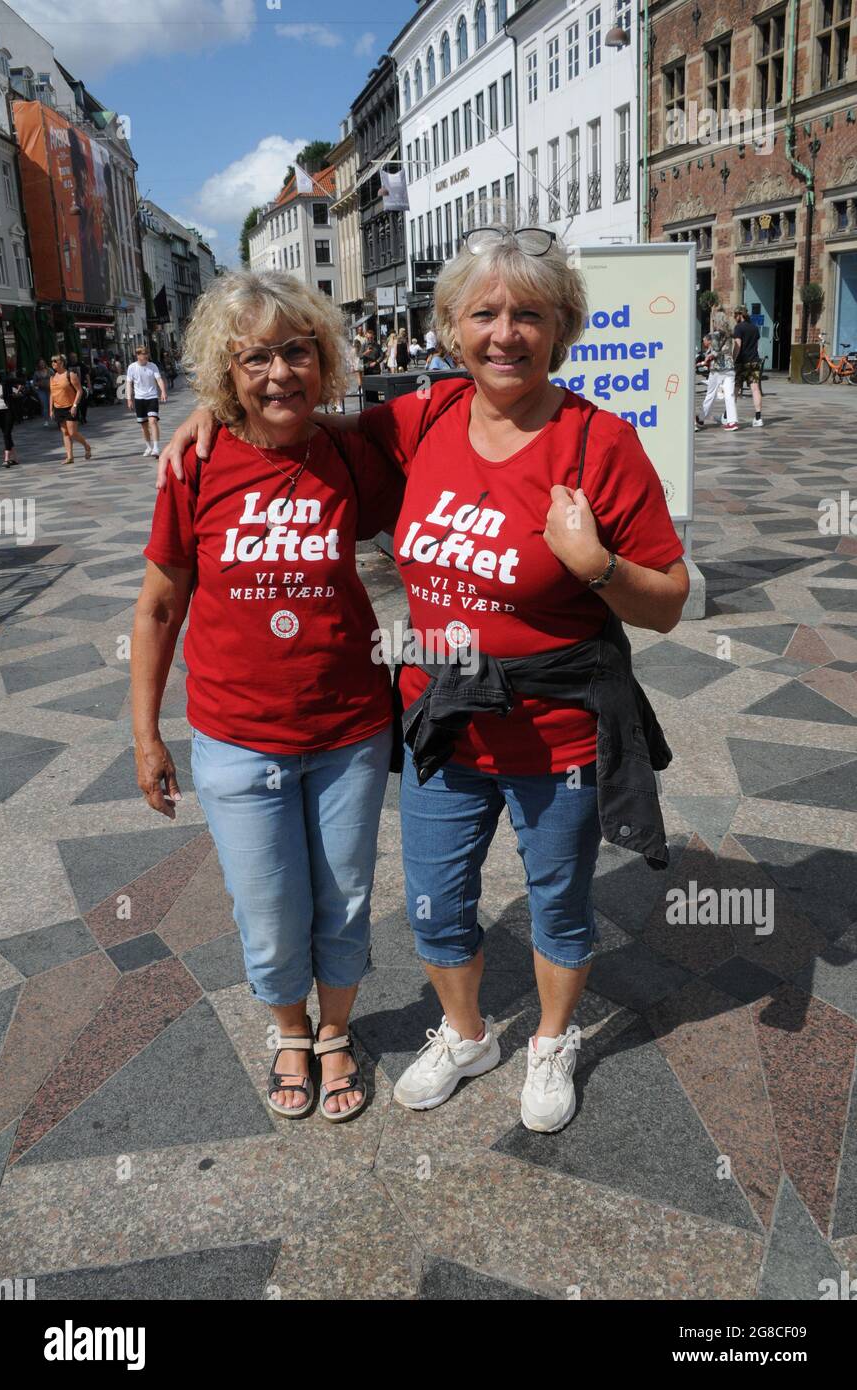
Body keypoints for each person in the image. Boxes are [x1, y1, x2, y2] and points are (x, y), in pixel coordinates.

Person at [159, 219, 689, 1134]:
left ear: (561, 327)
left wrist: (594, 564)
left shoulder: (598, 443)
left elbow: (669, 600)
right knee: (438, 903)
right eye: (482, 312)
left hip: (555, 726)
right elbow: (297, 419)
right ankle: (464, 1031)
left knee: (560, 901)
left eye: (529, 313)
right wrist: (215, 409)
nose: (504, 333)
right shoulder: (426, 415)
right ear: (450, 329)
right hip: (442, 717)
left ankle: (551, 1041)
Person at [133, 269, 404, 1121]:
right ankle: (289, 1030)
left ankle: (333, 1030)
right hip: (236, 734)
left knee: (346, 894)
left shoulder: (352, 451)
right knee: (267, 902)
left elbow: (465, 430)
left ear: (324, 361)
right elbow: (160, 605)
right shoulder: (196, 466)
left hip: (349, 727)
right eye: (255, 359)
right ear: (227, 370)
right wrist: (145, 734)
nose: (280, 373)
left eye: (298, 352)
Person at [126, 347, 168, 458]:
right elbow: (129, 383)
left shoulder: (152, 366)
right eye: (143, 354)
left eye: (147, 354)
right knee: (144, 426)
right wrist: (129, 399)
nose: (146, 356)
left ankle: (156, 447)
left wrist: (163, 391)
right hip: (139, 399)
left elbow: (159, 379)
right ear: (138, 355)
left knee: (153, 421)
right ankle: (148, 446)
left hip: (152, 397)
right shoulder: (132, 367)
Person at [49, 354, 91, 464]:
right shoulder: (52, 377)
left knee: (72, 433)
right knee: (65, 433)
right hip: (58, 408)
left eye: (55, 361)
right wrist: (51, 409)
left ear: (62, 363)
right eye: (52, 361)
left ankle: (87, 446)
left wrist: (75, 406)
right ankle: (70, 457)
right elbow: (52, 394)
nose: (53, 363)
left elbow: (79, 391)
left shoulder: (70, 375)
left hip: (70, 406)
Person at [696, 324, 738, 431]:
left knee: (711, 394)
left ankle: (701, 419)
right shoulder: (729, 336)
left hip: (717, 369)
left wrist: (709, 356)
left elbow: (715, 351)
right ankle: (732, 422)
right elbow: (728, 349)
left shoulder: (714, 335)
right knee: (730, 395)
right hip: (730, 368)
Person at [732, 305, 764, 426]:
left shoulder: (738, 328)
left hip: (742, 362)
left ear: (740, 315)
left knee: (735, 389)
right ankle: (758, 418)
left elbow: (737, 345)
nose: (735, 317)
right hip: (754, 361)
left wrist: (733, 359)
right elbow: (756, 346)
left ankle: (728, 416)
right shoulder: (754, 328)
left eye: (735, 315)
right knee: (755, 389)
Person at [0, 366, 18, 467]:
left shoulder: (5, 382)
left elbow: (21, 382)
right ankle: (15, 458)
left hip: (8, 411)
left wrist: (17, 390)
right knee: (6, 434)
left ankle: (7, 458)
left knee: (6, 433)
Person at [67, 352, 90, 425]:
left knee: (83, 402)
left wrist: (89, 384)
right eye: (72, 357)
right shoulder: (67, 365)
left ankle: (83, 417)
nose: (73, 359)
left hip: (82, 386)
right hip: (71, 387)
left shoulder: (81, 365)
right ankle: (76, 417)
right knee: (74, 403)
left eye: (74, 357)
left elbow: (87, 375)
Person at [33, 359, 52, 426]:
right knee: (44, 404)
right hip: (41, 390)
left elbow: (55, 377)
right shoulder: (36, 373)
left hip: (50, 389)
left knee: (51, 403)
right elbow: (34, 382)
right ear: (38, 364)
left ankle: (53, 416)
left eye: (43, 363)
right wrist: (39, 384)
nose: (42, 364)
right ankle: (46, 420)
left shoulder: (49, 370)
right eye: (40, 363)